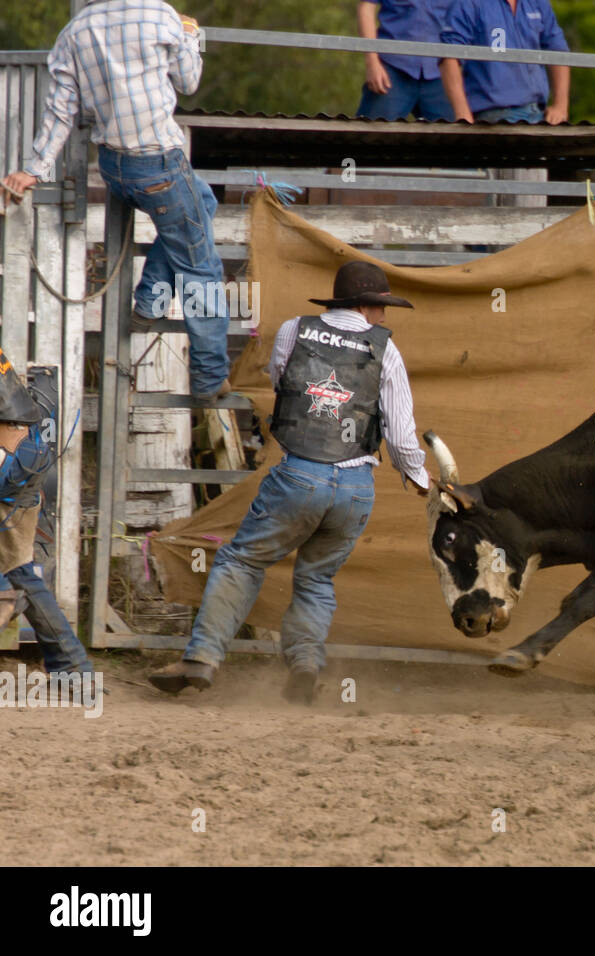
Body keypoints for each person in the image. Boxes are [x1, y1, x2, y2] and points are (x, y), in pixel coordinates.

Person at [148, 262, 431, 703]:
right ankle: (304, 664)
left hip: (300, 472)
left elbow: (285, 384)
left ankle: (202, 659)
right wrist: (419, 478)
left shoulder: (294, 330)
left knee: (242, 561)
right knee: (317, 579)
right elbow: (400, 433)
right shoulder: (386, 351)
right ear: (367, 305)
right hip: (356, 484)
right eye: (381, 307)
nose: (383, 316)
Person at [1, 0, 230, 402]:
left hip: (113, 165)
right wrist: (191, 34)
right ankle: (210, 377)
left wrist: (35, 168)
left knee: (202, 206)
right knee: (201, 268)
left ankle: (150, 300)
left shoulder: (75, 29)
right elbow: (189, 82)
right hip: (158, 163)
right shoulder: (161, 15)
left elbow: (61, 110)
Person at [0, 355, 98, 694]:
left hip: (10, 465)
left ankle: (73, 668)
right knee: (20, 571)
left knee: (17, 573)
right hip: (22, 458)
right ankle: (73, 669)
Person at [439, 0, 570, 124]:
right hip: (492, 115)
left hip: (538, 113)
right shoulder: (470, 3)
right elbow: (449, 57)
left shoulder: (537, 2)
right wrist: (463, 114)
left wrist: (561, 106)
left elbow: (557, 49)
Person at [356, 0, 455, 122]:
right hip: (391, 69)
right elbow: (366, 8)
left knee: (454, 133)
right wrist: (372, 62)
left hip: (441, 71)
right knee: (370, 132)